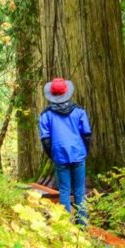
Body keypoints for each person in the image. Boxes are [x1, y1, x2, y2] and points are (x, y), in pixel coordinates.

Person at [38, 78, 92, 225]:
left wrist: (53, 155)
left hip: (59, 156)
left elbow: (45, 140)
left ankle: (66, 226)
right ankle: (82, 225)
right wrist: (84, 151)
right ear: (67, 93)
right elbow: (86, 134)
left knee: (64, 191)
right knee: (80, 191)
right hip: (78, 154)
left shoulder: (46, 115)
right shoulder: (79, 111)